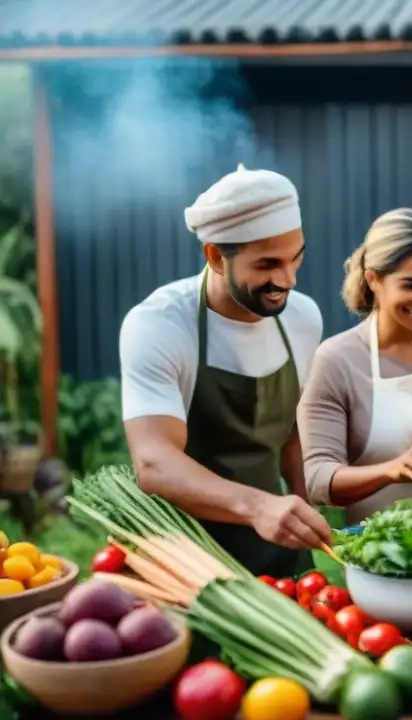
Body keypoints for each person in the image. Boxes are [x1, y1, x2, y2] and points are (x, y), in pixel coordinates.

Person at [119, 164, 331, 578]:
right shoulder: (160, 324)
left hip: (278, 546)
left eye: (296, 258)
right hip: (185, 556)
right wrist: (258, 507)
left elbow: (292, 434)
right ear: (216, 257)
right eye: (268, 264)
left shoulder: (303, 318)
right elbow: (154, 462)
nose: (286, 279)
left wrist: (313, 513)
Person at [298, 208, 412, 522]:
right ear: (373, 280)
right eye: (410, 285)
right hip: (380, 556)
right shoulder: (337, 360)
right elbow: (317, 480)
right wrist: (390, 470)